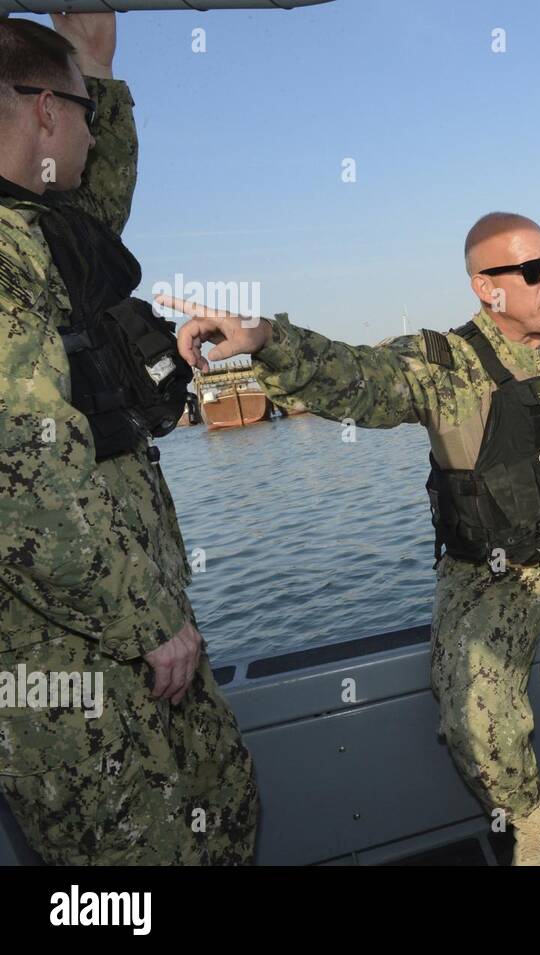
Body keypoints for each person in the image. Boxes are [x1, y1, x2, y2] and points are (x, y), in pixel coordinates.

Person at [167, 212, 540, 865]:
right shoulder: (446, 363)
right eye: (530, 270)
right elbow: (360, 379)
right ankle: (529, 818)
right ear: (484, 287)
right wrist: (267, 338)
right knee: (475, 707)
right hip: (495, 568)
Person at [0, 13, 258, 864]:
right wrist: (148, 618)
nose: (89, 131)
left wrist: (98, 72)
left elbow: (94, 207)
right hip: (68, 664)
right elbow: (27, 479)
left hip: (138, 629)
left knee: (222, 818)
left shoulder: (43, 233)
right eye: (82, 111)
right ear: (43, 111)